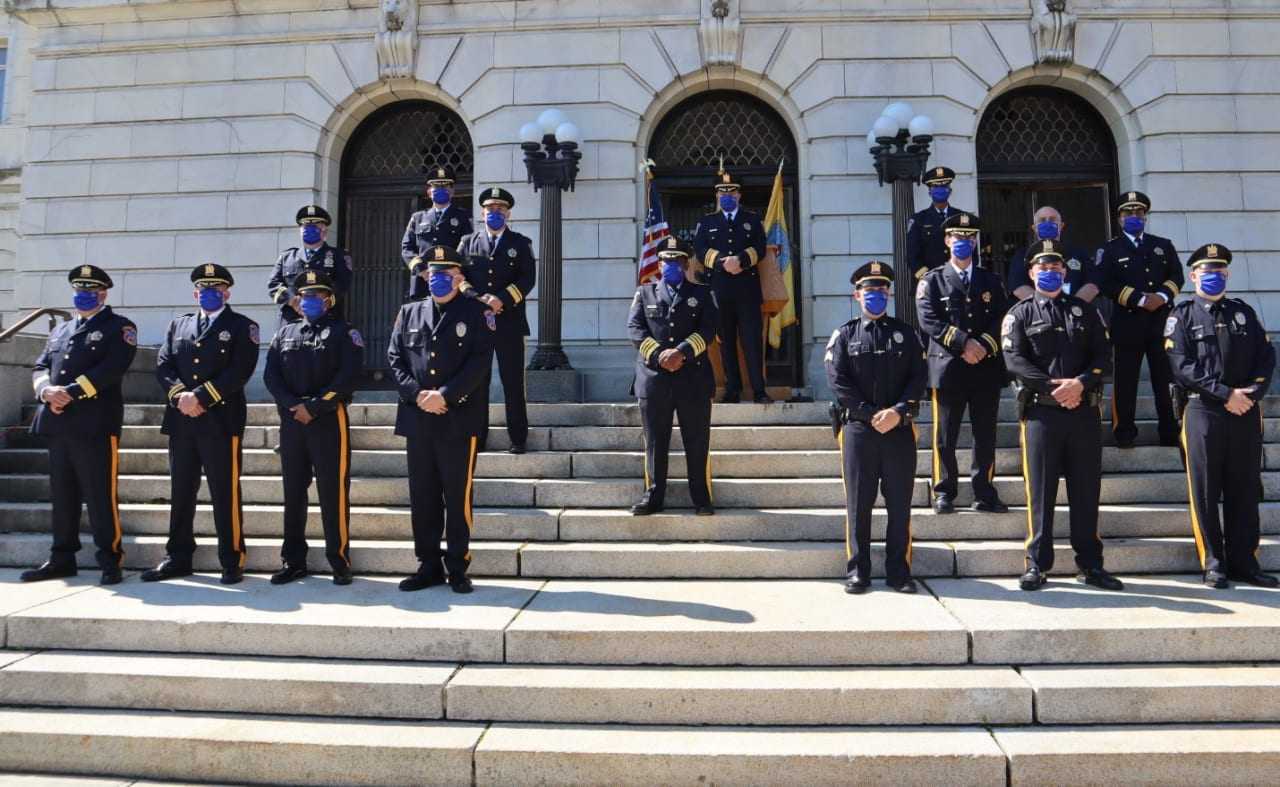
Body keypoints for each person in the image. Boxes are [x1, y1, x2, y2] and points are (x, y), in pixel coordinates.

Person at [1002, 240, 1123, 592]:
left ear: (1064, 273)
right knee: (1040, 492)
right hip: (1042, 414)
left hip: (1083, 414)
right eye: (1043, 268)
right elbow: (1015, 361)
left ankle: (1091, 565)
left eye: (1056, 269)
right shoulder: (1020, 313)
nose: (1050, 273)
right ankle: (1037, 565)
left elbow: (1104, 356)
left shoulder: (1085, 311)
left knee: (1086, 492)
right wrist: (1056, 388)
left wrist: (1081, 384)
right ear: (1031, 273)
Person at [1166, 243, 1278, 589]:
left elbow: (1266, 357)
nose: (1212, 276)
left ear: (1226, 274)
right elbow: (1181, 366)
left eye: (1219, 271)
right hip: (1203, 410)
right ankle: (1213, 562)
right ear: (1193, 275)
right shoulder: (1181, 316)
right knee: (1205, 489)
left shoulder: (1243, 312)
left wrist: (1251, 394)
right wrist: (1225, 393)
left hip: (1244, 410)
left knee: (1244, 488)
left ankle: (1245, 560)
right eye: (1206, 271)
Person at [388, 246, 495, 594]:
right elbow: (395, 359)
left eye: (445, 274)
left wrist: (444, 396)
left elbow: (479, 364)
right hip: (418, 418)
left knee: (455, 495)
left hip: (458, 419)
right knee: (423, 495)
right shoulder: (409, 313)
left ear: (459, 278)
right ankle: (428, 564)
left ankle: (458, 566)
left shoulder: (477, 313)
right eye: (432, 273)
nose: (436, 279)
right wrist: (418, 395)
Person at [144, 263, 260, 585]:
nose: (209, 293)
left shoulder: (242, 327)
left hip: (221, 422)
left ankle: (232, 559)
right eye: (203, 289)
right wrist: (181, 395)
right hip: (182, 421)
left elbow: (240, 371)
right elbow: (164, 364)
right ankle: (178, 557)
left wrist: (201, 398)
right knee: (181, 492)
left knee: (225, 493)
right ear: (195, 292)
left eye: (216, 288)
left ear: (227, 292)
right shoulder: (178, 325)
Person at [21, 266, 137, 585]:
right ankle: (62, 558)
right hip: (57, 423)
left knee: (100, 495)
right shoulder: (61, 330)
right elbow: (41, 365)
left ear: (103, 294)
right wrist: (46, 391)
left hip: (95, 424)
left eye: (90, 290)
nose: (83, 295)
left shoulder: (120, 327)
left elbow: (112, 368)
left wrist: (69, 394)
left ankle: (110, 559)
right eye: (78, 289)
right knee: (63, 495)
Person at [825, 261, 926, 594]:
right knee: (859, 504)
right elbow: (838, 382)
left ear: (890, 293)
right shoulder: (844, 334)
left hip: (898, 430)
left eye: (881, 290)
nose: (876, 296)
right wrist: (870, 414)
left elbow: (918, 379)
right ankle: (858, 571)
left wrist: (898, 412)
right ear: (857, 295)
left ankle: (899, 572)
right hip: (858, 431)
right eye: (869, 291)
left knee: (899, 505)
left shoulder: (907, 334)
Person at [263, 271, 364, 587]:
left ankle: (339, 560)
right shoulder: (285, 333)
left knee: (333, 493)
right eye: (304, 296)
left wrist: (315, 406)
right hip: (293, 422)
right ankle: (293, 561)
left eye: (316, 296)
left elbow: (348, 377)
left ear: (328, 300)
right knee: (293, 493)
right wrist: (294, 405)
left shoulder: (344, 333)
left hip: (328, 421)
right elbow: (271, 376)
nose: (309, 301)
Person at [916, 211, 1010, 514]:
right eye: (957, 237)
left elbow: (1003, 318)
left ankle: (984, 491)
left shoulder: (991, 280)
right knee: (946, 435)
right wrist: (963, 344)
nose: (963, 242)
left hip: (985, 366)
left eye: (969, 237)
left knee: (985, 434)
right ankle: (944, 490)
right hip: (948, 368)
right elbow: (928, 319)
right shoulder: (931, 281)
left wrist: (982, 344)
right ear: (947, 240)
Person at [627, 237, 719, 517]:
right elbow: (635, 328)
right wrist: (659, 356)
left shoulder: (702, 293)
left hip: (693, 378)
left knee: (697, 439)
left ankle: (701, 497)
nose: (671, 265)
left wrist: (681, 352)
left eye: (677, 260)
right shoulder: (645, 293)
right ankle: (654, 495)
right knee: (655, 440)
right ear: (659, 263)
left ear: (685, 263)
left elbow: (708, 330)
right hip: (654, 379)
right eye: (666, 260)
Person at [1098, 191, 1182, 448]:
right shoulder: (1110, 249)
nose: (1133, 217)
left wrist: (1160, 296)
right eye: (1128, 213)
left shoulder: (1162, 245)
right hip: (1128, 323)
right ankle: (1124, 433)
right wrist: (1138, 299)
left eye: (1138, 212)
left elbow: (1177, 277)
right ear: (1120, 218)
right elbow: (1105, 282)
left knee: (1165, 379)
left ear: (1145, 216)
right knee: (1125, 382)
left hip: (1160, 322)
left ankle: (1169, 432)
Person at [457, 186, 535, 454]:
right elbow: (459, 277)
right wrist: (477, 298)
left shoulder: (520, 243)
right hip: (478, 323)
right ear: (482, 212)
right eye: (490, 209)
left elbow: (527, 279)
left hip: (509, 323)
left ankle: (518, 438)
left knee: (512, 382)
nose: (495, 213)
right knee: (478, 381)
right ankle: (477, 437)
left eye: (500, 209)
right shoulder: (468, 243)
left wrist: (502, 298)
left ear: (508, 213)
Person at [693, 166, 771, 404]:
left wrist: (742, 260)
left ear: (739, 195)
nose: (727, 196)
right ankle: (732, 389)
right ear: (717, 195)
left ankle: (759, 391)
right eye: (722, 193)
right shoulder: (707, 222)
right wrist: (721, 262)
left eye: (731, 192)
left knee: (751, 341)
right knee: (725, 342)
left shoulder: (752, 220)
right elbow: (700, 249)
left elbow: (760, 247)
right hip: (719, 291)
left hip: (747, 291)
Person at [268, 205, 354, 324]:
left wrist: (325, 302)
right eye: (305, 225)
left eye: (315, 226)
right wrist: (292, 300)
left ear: (324, 230)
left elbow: (342, 284)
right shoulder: (286, 257)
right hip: (291, 324)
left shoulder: (339, 257)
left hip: (326, 322)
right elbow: (273, 286)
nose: (309, 229)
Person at [402, 165, 473, 302]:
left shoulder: (463, 217)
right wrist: (421, 270)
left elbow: (467, 248)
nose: (441, 190)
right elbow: (406, 248)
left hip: (452, 283)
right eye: (436, 187)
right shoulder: (418, 218)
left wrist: (454, 272)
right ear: (429, 192)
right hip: (423, 283)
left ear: (452, 191)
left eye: (445, 187)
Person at [1006, 206, 1099, 302]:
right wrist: (1045, 307)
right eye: (1042, 220)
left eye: (1052, 219)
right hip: (1038, 314)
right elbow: (1018, 287)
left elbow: (1092, 285)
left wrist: (1073, 307)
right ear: (1034, 228)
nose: (1047, 223)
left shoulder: (1078, 253)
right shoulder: (1023, 255)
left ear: (1061, 226)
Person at [905, 166, 977, 281]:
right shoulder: (918, 220)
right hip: (930, 282)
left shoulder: (961, 218)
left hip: (958, 281)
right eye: (936, 187)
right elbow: (912, 257)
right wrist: (928, 278)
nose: (940, 189)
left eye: (943, 186)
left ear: (950, 190)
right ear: (930, 192)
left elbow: (972, 251)